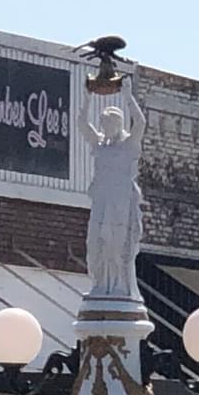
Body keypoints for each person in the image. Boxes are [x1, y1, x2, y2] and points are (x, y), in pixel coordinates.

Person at [78, 79, 145, 301]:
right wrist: (87, 99)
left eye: (109, 125)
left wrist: (127, 96)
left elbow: (141, 124)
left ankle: (117, 286)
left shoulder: (128, 146)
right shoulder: (100, 144)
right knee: (95, 242)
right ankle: (100, 284)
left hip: (120, 203)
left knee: (115, 246)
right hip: (101, 200)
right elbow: (83, 126)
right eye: (103, 125)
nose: (105, 129)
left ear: (118, 125)